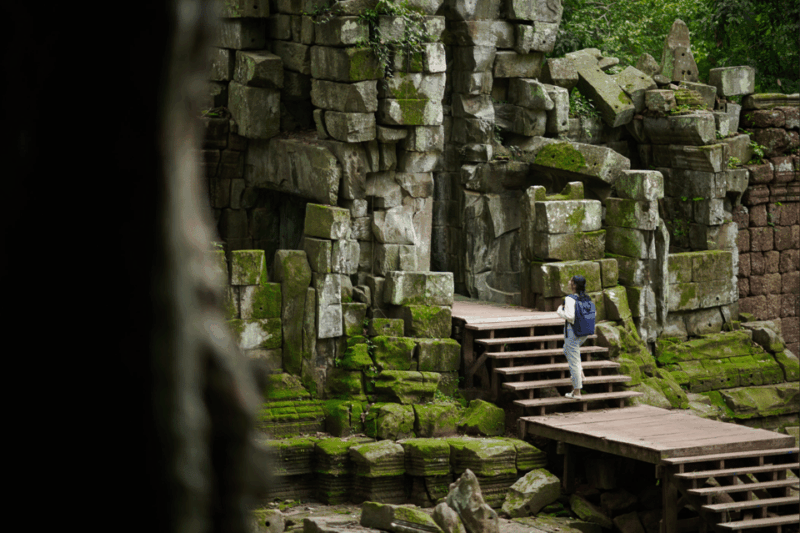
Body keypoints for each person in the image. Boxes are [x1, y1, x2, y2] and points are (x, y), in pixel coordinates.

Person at [556, 275, 591, 399]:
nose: (569, 282)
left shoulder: (570, 299)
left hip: (573, 332)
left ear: (574, 285)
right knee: (567, 350)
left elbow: (570, 317)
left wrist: (560, 311)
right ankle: (580, 373)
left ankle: (577, 392)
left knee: (573, 362)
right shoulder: (586, 298)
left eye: (571, 281)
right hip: (584, 332)